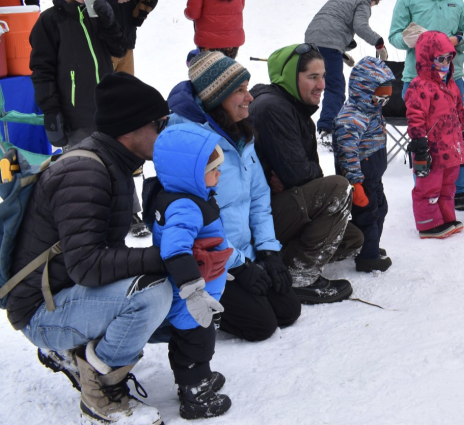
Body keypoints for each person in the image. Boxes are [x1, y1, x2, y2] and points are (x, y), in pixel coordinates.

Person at [7, 73, 173, 425]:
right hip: (42, 310)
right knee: (152, 294)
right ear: (129, 128)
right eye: (160, 123)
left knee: (169, 293)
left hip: (65, 293)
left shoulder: (111, 164)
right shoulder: (86, 172)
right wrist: (167, 259)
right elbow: (87, 265)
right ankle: (99, 393)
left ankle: (78, 351)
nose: (167, 130)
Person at [167, 52, 301, 340]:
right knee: (261, 325)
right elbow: (199, 224)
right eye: (239, 90)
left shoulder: (241, 134)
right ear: (217, 97)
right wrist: (239, 265)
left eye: (247, 88)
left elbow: (258, 200)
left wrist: (268, 252)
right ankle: (200, 311)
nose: (250, 97)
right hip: (210, 260)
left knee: (288, 310)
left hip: (244, 253)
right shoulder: (192, 142)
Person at [249, 45, 359, 303]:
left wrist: (298, 176)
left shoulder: (292, 108)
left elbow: (300, 174)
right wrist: (295, 176)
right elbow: (299, 175)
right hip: (258, 217)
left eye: (323, 76)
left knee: (352, 239)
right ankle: (299, 276)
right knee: (338, 189)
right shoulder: (273, 108)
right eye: (312, 77)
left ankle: (282, 258)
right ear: (288, 76)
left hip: (279, 205)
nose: (322, 84)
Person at [150, 124, 232, 419]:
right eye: (213, 169)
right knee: (194, 341)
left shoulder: (189, 197)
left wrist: (225, 265)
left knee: (200, 338)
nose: (219, 175)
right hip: (190, 298)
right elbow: (175, 250)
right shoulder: (185, 207)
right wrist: (194, 290)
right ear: (192, 174)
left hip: (200, 289)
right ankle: (194, 394)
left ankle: (200, 377)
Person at [389, 0, 464, 210]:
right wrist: (416, 39)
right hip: (417, 80)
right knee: (424, 137)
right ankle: (427, 191)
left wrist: (456, 40)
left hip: (453, 78)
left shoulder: (456, 1)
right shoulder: (408, 0)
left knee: (455, 134)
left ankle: (459, 190)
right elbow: (394, 36)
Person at [29, 0, 126, 149]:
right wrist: (51, 111)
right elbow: (42, 70)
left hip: (108, 111)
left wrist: (109, 20)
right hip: (76, 117)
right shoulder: (50, 21)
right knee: (84, 171)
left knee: (114, 167)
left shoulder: (96, 15)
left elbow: (119, 49)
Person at [304, 0, 389, 144]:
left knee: (310, 85)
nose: (372, 8)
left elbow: (330, 26)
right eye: (374, 4)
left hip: (310, 42)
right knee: (334, 87)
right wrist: (379, 43)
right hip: (329, 44)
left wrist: (341, 53)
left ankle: (297, 125)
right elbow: (360, 26)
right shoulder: (362, 1)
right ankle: (327, 130)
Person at [405, 31, 464, 238]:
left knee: (447, 185)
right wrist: (419, 144)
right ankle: (427, 224)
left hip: (450, 146)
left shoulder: (451, 84)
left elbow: (460, 111)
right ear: (427, 59)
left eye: (448, 58)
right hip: (431, 148)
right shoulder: (420, 85)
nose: (445, 63)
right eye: (439, 59)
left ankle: (445, 218)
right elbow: (415, 116)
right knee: (428, 187)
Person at [333, 56, 395, 272]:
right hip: (361, 179)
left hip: (374, 177)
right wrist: (355, 184)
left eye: (386, 99)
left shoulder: (372, 111)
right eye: (379, 98)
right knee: (367, 216)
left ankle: (371, 247)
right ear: (364, 91)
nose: (382, 104)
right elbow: (346, 154)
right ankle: (367, 257)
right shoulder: (351, 118)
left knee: (380, 209)